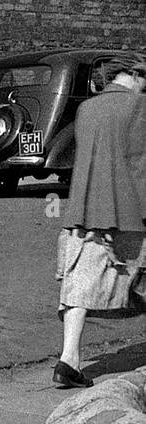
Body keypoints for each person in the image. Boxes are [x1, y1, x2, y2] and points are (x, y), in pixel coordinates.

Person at [54, 57, 146, 388]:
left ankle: (68, 361)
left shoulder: (87, 109)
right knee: (140, 281)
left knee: (79, 285)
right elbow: (139, 162)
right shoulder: (140, 106)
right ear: (133, 75)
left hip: (84, 211)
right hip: (129, 212)